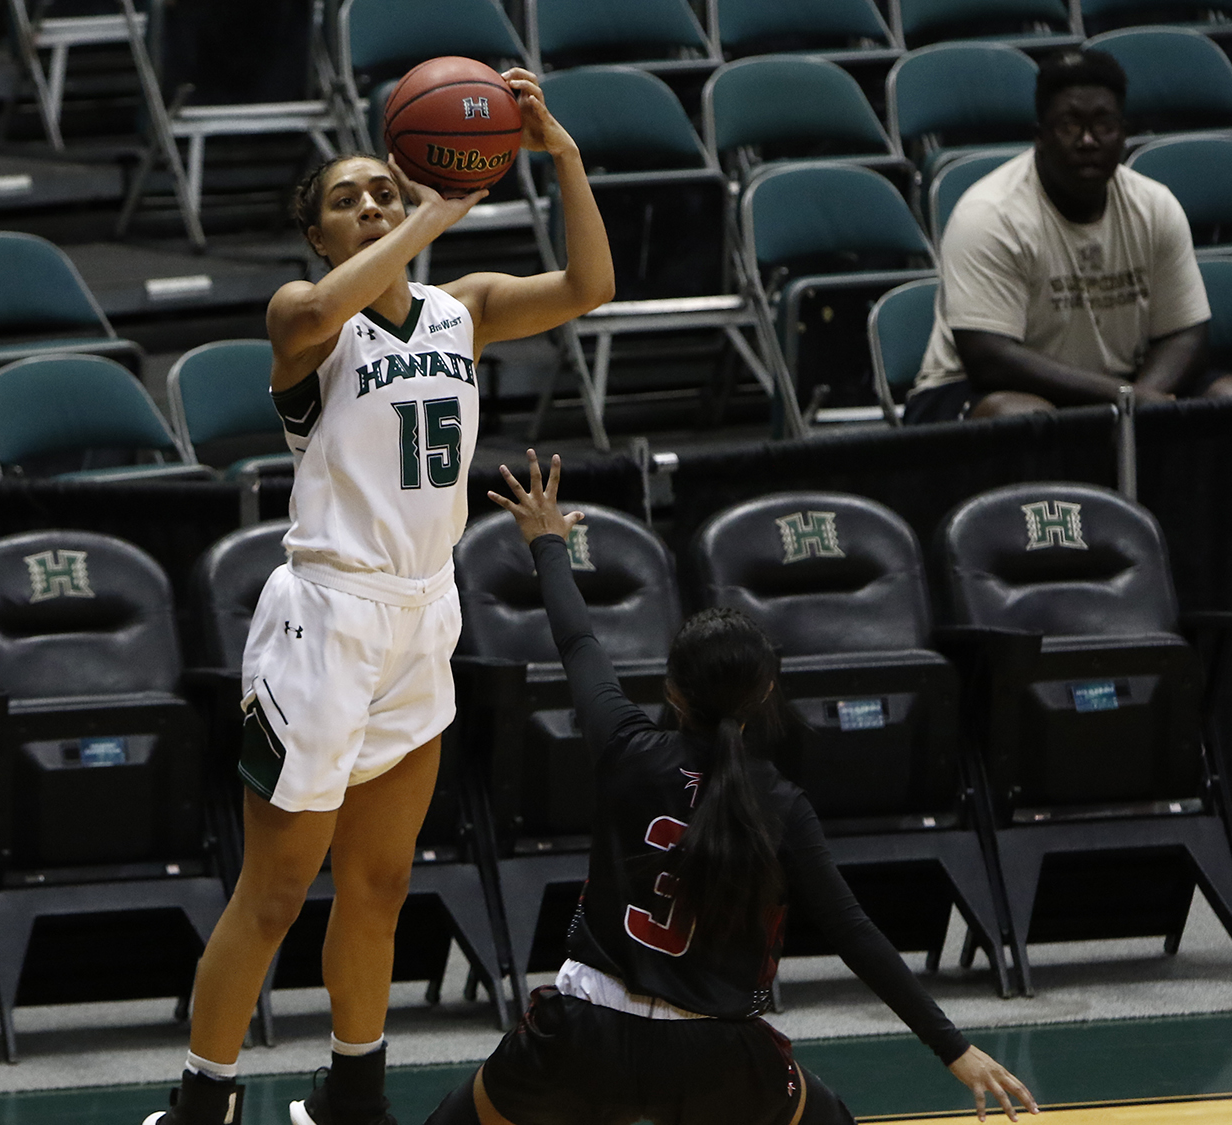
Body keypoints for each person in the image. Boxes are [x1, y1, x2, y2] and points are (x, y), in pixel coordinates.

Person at [146, 70, 615, 1125]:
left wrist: (559, 154)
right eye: (347, 200)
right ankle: (202, 1101)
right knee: (273, 890)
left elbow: (590, 286)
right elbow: (314, 306)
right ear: (315, 233)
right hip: (323, 617)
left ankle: (351, 1093)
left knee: (379, 883)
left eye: (382, 194)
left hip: (421, 612)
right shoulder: (304, 317)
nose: (371, 205)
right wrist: (437, 209)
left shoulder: (466, 309)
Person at [416, 451, 1039, 1125]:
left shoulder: (625, 746)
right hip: (716, 1056)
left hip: (582, 1036)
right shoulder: (780, 805)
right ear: (767, 690)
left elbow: (577, 639)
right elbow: (855, 934)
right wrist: (955, 1048)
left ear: (672, 690)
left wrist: (547, 544)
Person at [903, 49, 1232, 424]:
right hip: (979, 390)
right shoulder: (991, 214)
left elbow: (1186, 334)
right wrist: (1123, 398)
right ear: (1039, 136)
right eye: (1070, 125)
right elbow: (989, 358)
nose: (1088, 140)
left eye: (1104, 124)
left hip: (1123, 382)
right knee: (1027, 418)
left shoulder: (1155, 205)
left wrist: (1142, 403)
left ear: (1124, 134)